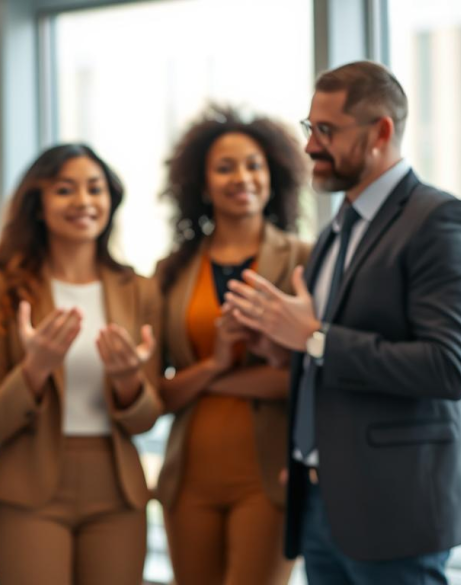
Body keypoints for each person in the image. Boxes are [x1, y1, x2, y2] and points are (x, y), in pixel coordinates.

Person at [225, 60, 461, 584]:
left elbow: (449, 367)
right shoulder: (336, 229)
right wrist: (281, 344)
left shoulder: (440, 220)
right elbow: (326, 354)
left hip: (395, 510)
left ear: (381, 132)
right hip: (323, 501)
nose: (309, 147)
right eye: (310, 128)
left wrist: (314, 338)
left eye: (326, 131)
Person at [0, 143, 162, 585]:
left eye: (95, 188)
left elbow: (148, 418)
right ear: (38, 204)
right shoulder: (2, 286)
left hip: (116, 490)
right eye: (64, 189)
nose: (82, 201)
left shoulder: (140, 290)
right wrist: (35, 370)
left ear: (111, 200)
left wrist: (129, 383)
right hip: (29, 488)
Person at [154, 105, 310, 585]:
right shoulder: (172, 271)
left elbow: (304, 377)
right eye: (225, 167)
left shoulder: (305, 259)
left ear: (273, 176)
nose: (241, 177)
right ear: (202, 185)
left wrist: (209, 375)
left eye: (253, 165)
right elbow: (157, 394)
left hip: (269, 479)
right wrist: (217, 361)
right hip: (188, 479)